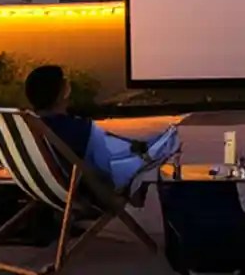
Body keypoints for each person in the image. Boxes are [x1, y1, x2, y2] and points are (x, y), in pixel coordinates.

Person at [24, 65, 170, 197]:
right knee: (165, 145)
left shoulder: (29, 128)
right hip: (89, 192)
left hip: (48, 192)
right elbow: (105, 168)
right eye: (66, 84)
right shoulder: (79, 129)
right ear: (62, 94)